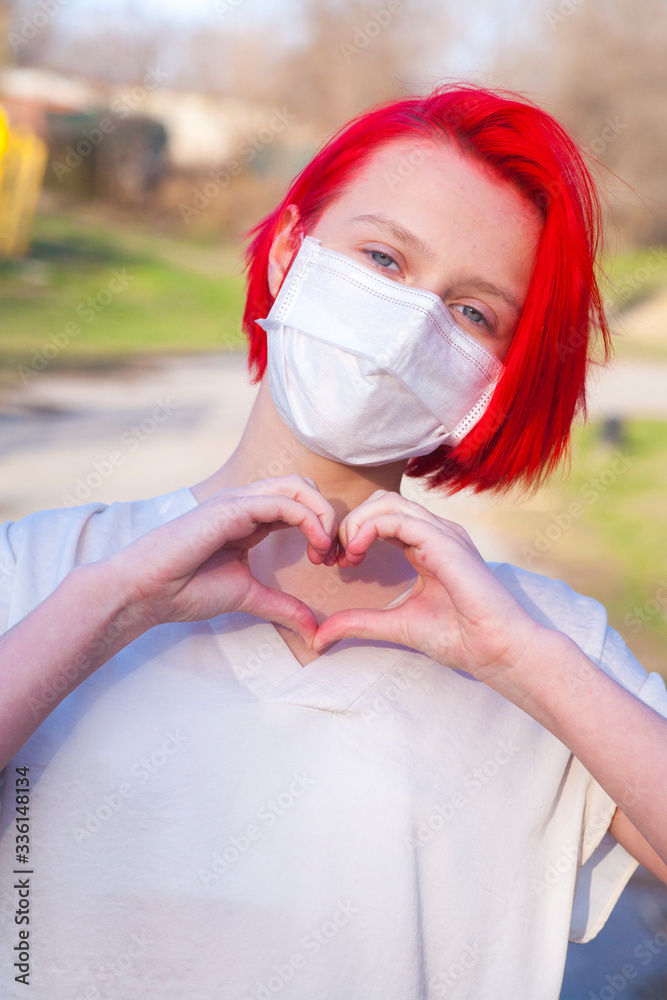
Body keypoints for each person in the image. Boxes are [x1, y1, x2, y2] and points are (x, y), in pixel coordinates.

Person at [0, 84, 666, 1000]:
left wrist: (523, 663)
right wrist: (106, 608)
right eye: (383, 258)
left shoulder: (546, 644)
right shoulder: (40, 569)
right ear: (287, 253)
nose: (409, 326)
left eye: (473, 313)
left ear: (495, 379)